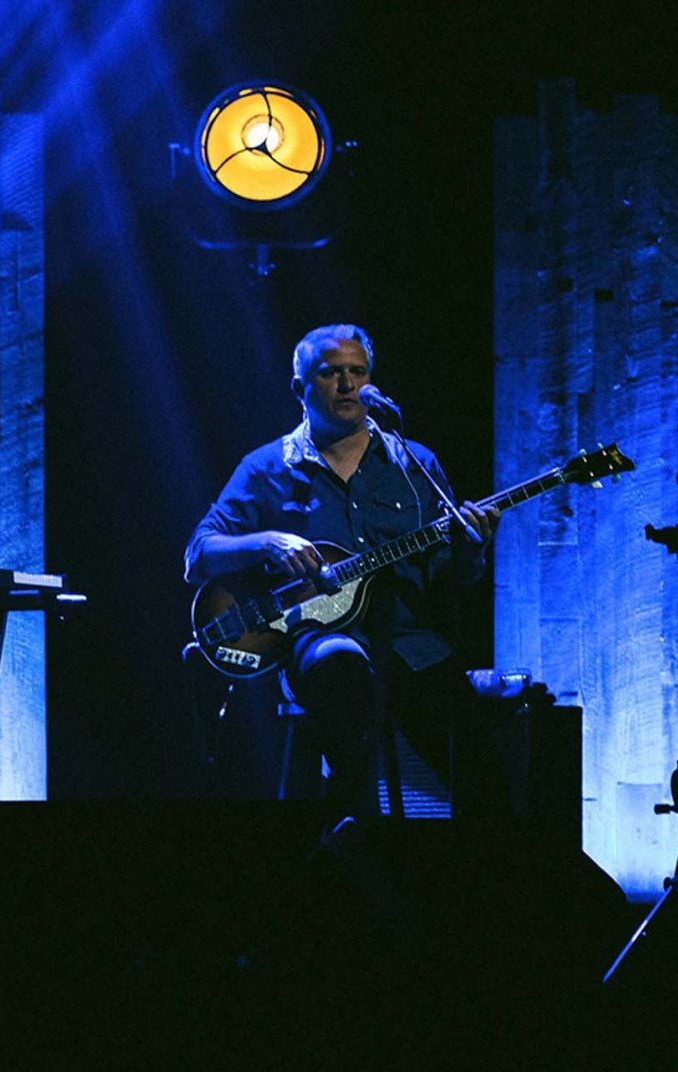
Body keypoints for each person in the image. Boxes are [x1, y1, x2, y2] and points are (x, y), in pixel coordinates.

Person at [183, 324, 502, 816]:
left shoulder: (416, 465)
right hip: (314, 642)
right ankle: (353, 833)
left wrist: (474, 550)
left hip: (410, 646)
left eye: (358, 372)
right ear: (300, 389)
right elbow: (198, 555)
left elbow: (453, 579)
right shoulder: (267, 467)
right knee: (341, 668)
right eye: (331, 373)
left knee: (484, 756)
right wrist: (267, 542)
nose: (348, 385)